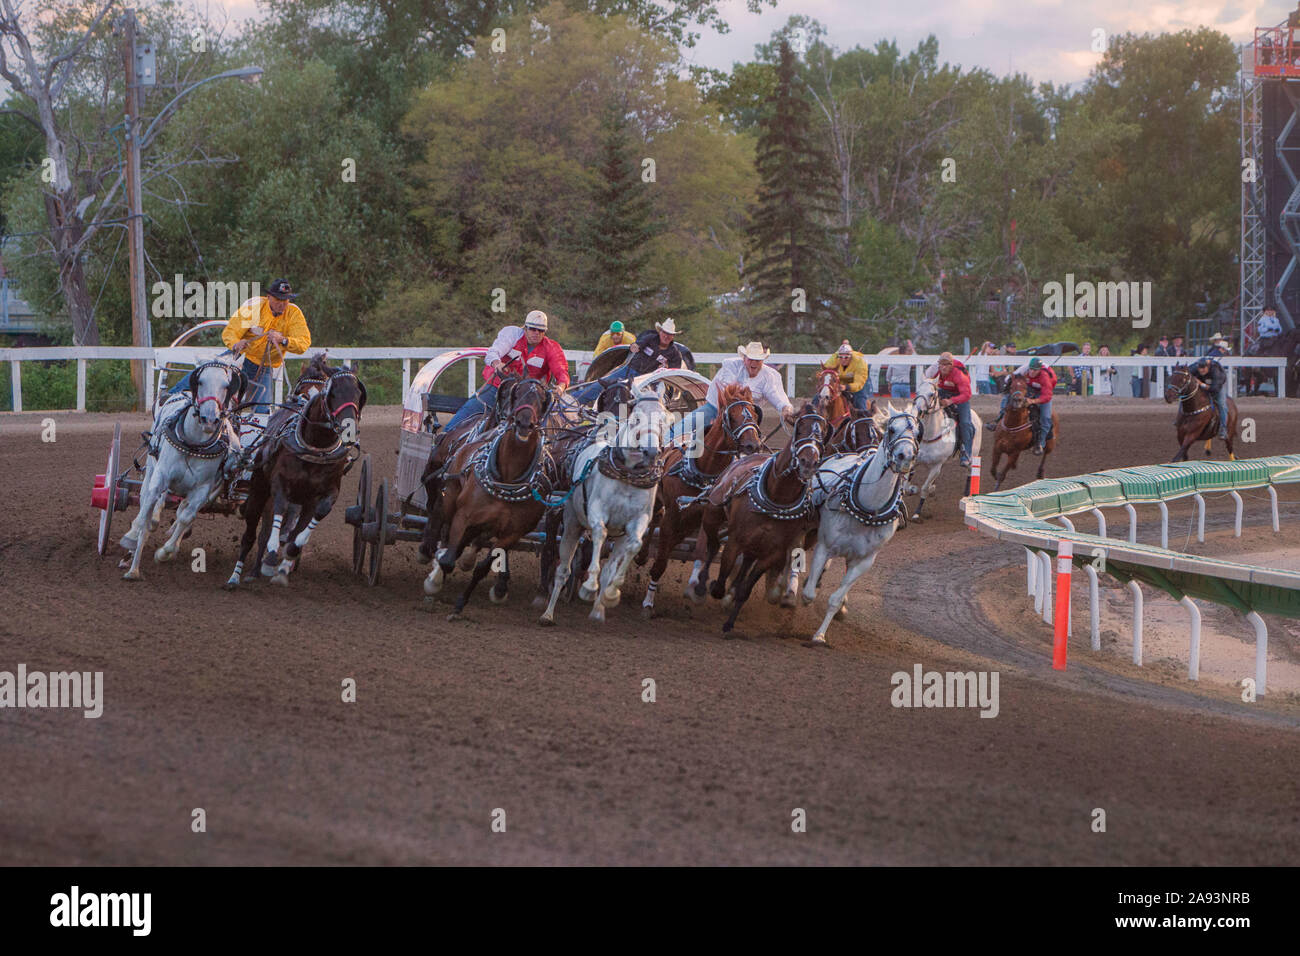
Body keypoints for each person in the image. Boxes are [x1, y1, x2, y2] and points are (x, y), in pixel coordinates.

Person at [443, 309, 569, 431]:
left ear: (545, 332)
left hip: (528, 396)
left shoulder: (552, 347)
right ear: (525, 328)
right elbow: (493, 352)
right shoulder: (512, 335)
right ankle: (444, 437)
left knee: (551, 426)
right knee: (465, 416)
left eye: (541, 330)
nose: (536, 333)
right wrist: (497, 364)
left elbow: (561, 371)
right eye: (532, 329)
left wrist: (561, 387)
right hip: (499, 388)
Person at [667, 341, 795, 448]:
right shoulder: (731, 366)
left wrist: (786, 409)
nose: (754, 363)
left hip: (746, 416)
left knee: (749, 438)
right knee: (685, 426)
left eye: (758, 360)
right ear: (744, 359)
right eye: (751, 359)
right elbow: (726, 389)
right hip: (716, 408)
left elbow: (778, 397)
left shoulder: (770, 376)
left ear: (763, 361)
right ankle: (664, 446)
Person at [221, 277, 311, 419]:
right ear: (268, 297)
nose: (282, 304)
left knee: (262, 412)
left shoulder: (294, 314)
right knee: (212, 387)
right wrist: (235, 343)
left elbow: (303, 343)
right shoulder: (253, 307)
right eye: (278, 300)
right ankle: (178, 396)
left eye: (285, 300)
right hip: (240, 358)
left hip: (264, 368)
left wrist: (283, 340)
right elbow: (230, 331)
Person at [924, 351, 974, 467]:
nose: (943, 367)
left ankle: (966, 453)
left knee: (965, 423)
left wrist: (950, 401)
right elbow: (927, 380)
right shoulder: (935, 368)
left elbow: (966, 394)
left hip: (959, 395)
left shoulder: (959, 375)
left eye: (946, 365)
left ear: (951, 365)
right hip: (942, 391)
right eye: (941, 364)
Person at [822, 339, 871, 412]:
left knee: (860, 399)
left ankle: (864, 419)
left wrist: (846, 387)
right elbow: (826, 368)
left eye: (846, 357)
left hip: (856, 385)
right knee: (820, 396)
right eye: (840, 357)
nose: (843, 359)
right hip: (839, 382)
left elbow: (859, 383)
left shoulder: (860, 363)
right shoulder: (835, 358)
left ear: (851, 357)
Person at [1191, 355, 1229, 439]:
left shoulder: (1216, 372)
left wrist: (1201, 384)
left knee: (1222, 404)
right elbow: (1187, 374)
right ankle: (1180, 419)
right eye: (1200, 368)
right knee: (1187, 397)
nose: (1201, 370)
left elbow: (1214, 389)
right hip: (1203, 383)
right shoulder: (1194, 368)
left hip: (1217, 386)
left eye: (1204, 368)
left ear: (1208, 366)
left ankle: (1224, 428)